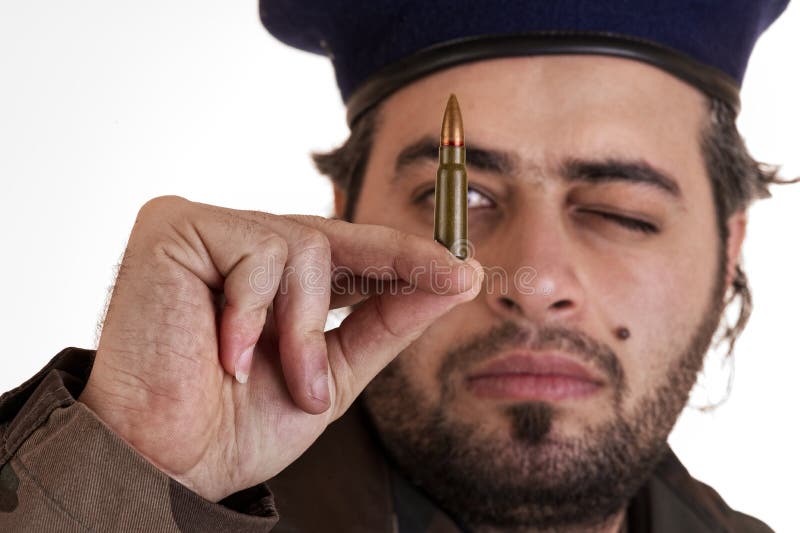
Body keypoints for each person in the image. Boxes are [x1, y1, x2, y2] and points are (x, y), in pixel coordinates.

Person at [0, 1, 794, 531]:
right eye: (462, 198)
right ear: (346, 216)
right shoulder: (143, 493)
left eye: (622, 213)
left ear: (730, 249)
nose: (538, 281)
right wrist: (123, 479)